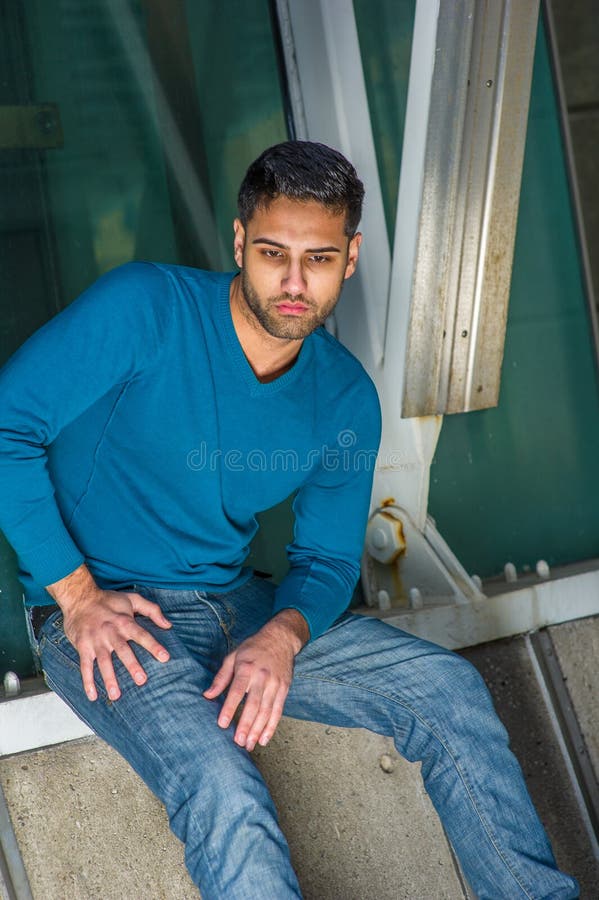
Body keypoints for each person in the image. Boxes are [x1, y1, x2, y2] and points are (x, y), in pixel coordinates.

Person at [0, 141, 578, 899]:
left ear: (352, 256)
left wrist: (284, 632)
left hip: (243, 607)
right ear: (239, 241)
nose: (295, 282)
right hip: (110, 614)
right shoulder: (146, 307)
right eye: (273, 253)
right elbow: (9, 425)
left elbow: (329, 562)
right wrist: (75, 597)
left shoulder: (342, 397)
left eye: (320, 258)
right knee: (221, 785)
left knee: (448, 692)